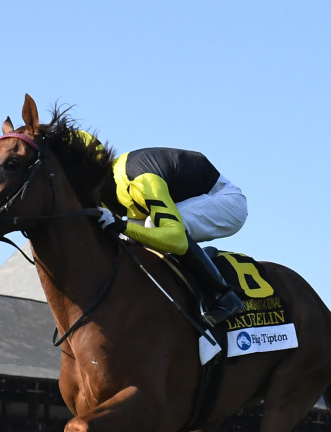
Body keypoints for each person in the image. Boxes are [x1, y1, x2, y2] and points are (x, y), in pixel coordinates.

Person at [82, 131, 248, 327]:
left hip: (227, 202)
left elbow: (174, 238)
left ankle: (225, 296)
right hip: (183, 202)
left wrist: (122, 225)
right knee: (130, 244)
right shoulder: (106, 188)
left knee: (154, 227)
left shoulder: (141, 178)